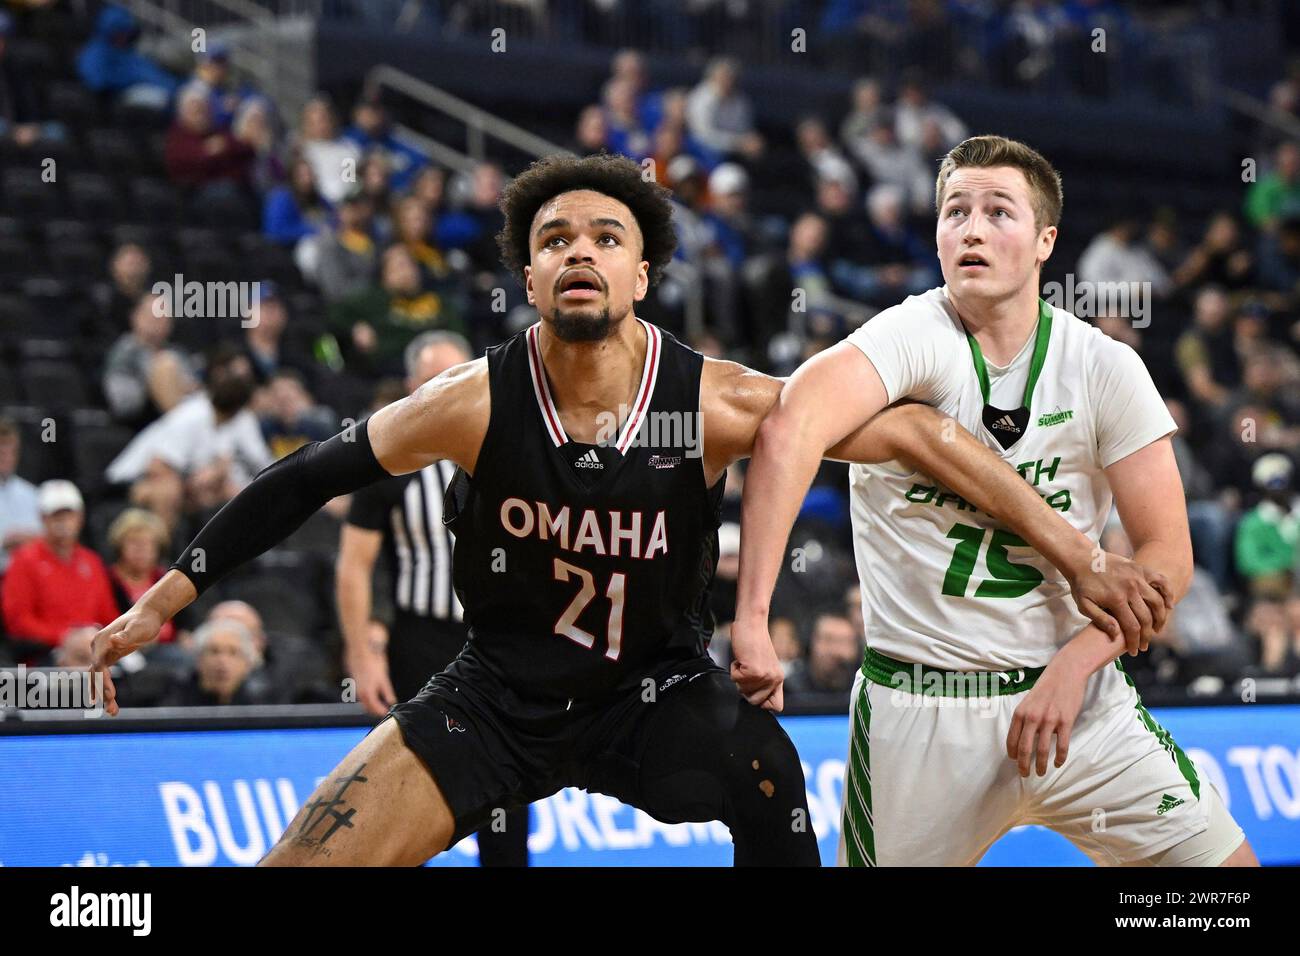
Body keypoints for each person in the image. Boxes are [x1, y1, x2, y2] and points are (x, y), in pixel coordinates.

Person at [93, 153, 1161, 867]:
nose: (580, 253)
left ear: (641, 272)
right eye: (555, 238)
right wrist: (169, 592)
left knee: (765, 763)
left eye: (606, 237)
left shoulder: (712, 402)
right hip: (497, 694)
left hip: (651, 693)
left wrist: (1075, 549)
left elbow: (926, 437)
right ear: (528, 271)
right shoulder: (471, 401)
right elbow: (306, 477)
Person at [734, 134, 1256, 868]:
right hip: (921, 715)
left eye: (998, 212)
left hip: (1078, 704)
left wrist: (1075, 669)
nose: (972, 229)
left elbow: (1167, 557)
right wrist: (753, 618)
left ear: (1046, 240)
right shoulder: (910, 336)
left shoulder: (1104, 366)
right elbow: (790, 423)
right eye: (955, 211)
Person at [338, 330, 530, 866]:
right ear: (410, 387)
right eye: (433, 380)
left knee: (510, 781)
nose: (447, 390)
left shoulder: (507, 448)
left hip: (499, 637)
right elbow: (354, 565)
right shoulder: (389, 459)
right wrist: (362, 653)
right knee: (408, 777)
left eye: (456, 376)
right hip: (421, 638)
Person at [2, 481, 118, 663]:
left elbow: (108, 614)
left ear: (80, 517)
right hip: (46, 652)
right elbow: (18, 621)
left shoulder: (91, 561)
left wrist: (98, 637)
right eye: (56, 516)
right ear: (43, 519)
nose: (63, 523)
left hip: (93, 646)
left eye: (68, 515)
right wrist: (64, 637)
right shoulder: (24, 560)